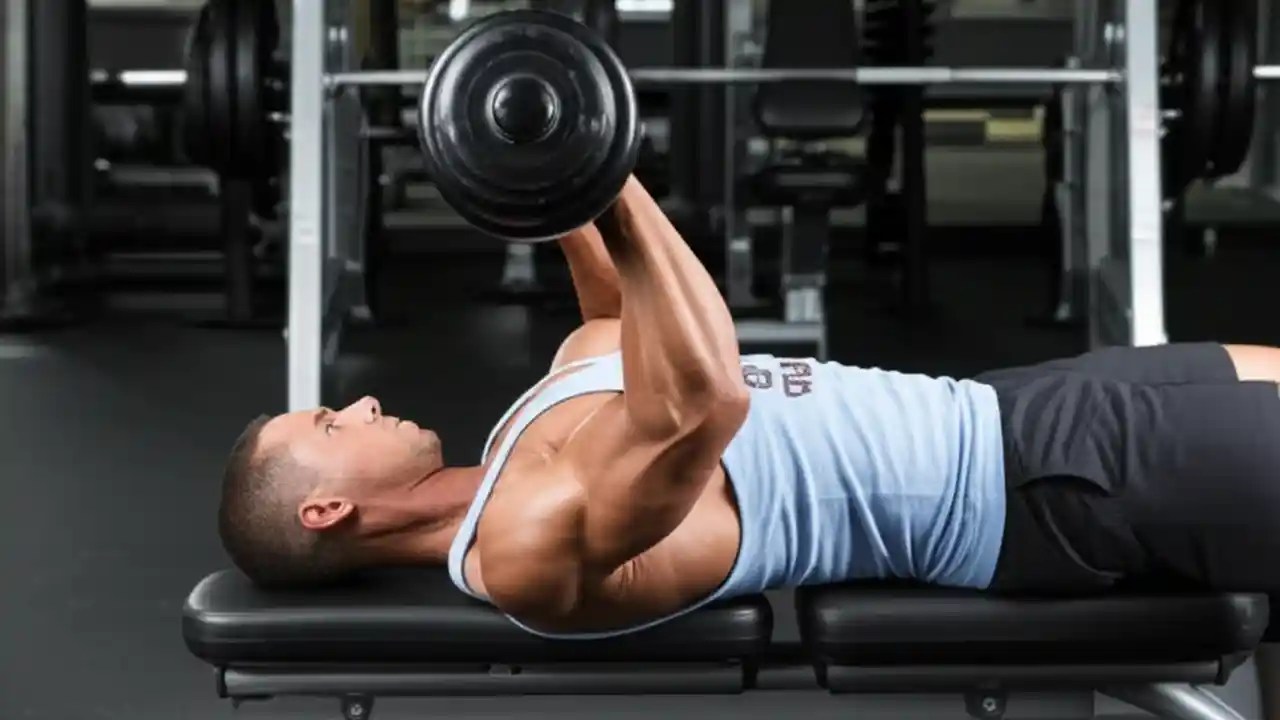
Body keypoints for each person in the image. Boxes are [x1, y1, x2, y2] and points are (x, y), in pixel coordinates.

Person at [218, 176, 1280, 642]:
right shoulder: (525, 550)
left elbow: (608, 316)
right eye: (328, 426)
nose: (356, 403)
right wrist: (611, 179)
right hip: (1039, 492)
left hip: (1016, 408)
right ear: (327, 513)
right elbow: (703, 401)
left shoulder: (518, 437)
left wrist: (542, 188)